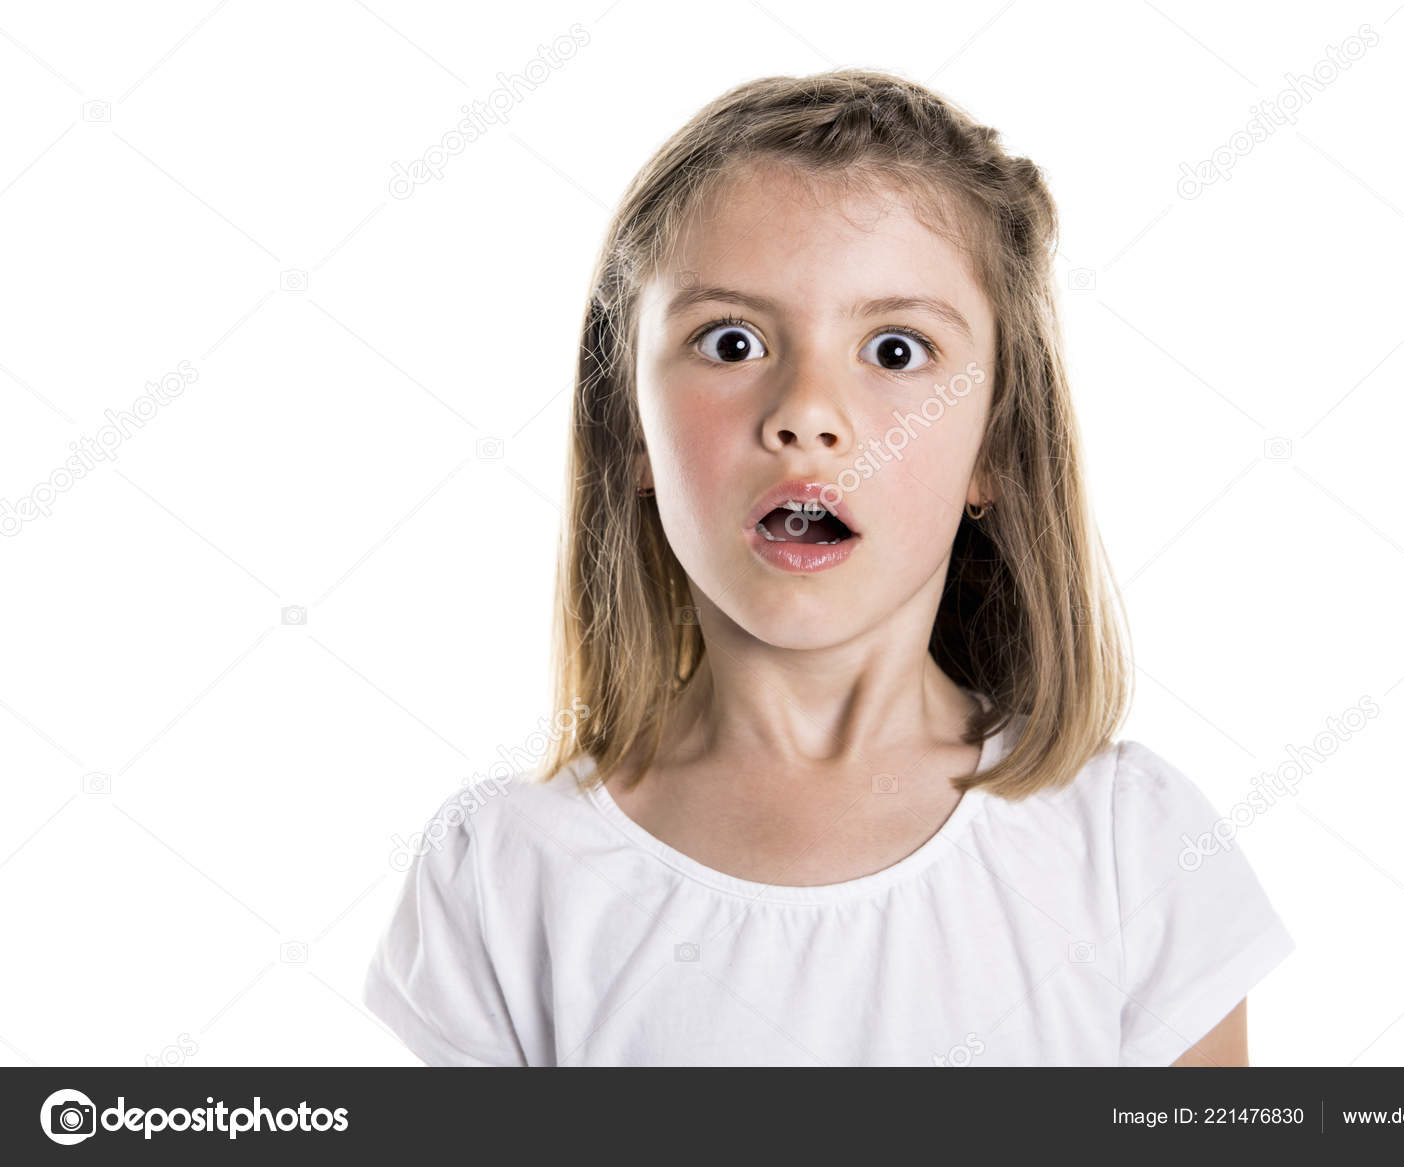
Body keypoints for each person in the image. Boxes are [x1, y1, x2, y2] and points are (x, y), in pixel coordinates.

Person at [363, 68, 1294, 1067]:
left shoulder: (1126, 846)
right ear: (630, 426)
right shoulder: (505, 872)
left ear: (992, 446)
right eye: (731, 342)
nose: (805, 413)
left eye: (895, 351)